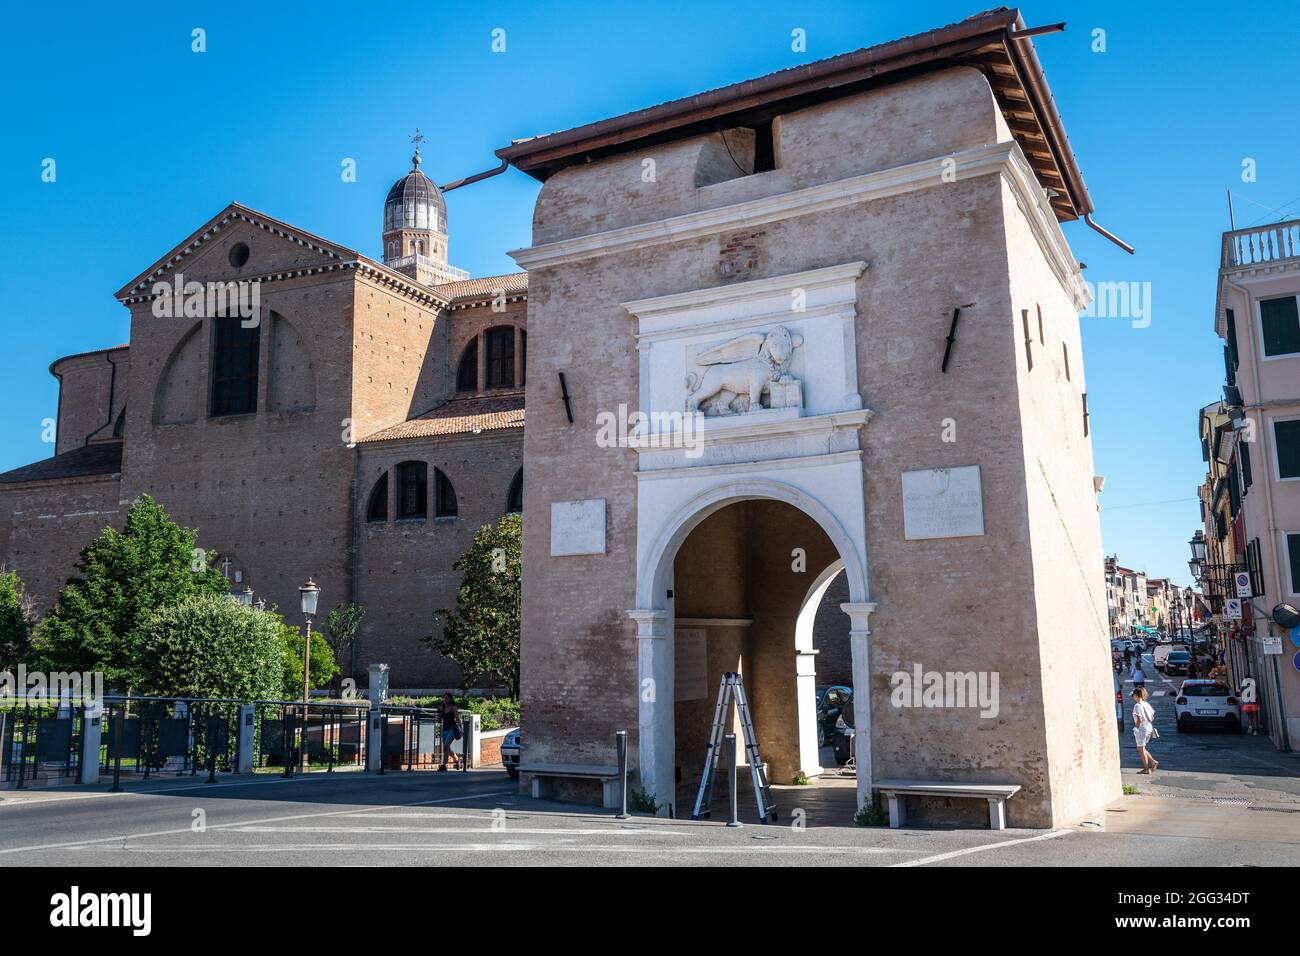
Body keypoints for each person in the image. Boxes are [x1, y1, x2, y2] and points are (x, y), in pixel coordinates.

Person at [1132, 686, 1159, 774]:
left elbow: (1139, 719)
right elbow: (1153, 716)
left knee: (1140, 748)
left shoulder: (1137, 706)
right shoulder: (1146, 704)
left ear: (1136, 695)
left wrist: (1136, 728)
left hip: (1142, 728)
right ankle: (1153, 762)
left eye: (1133, 695)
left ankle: (1146, 768)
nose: (1133, 697)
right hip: (1149, 726)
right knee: (1141, 748)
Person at [438, 693, 461, 770]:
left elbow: (457, 718)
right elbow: (438, 721)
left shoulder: (453, 707)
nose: (445, 700)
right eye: (444, 698)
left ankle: (444, 765)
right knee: (447, 748)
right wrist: (439, 712)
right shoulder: (442, 708)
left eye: (447, 698)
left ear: (450, 699)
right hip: (444, 729)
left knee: (446, 745)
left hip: (452, 729)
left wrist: (461, 728)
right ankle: (457, 759)